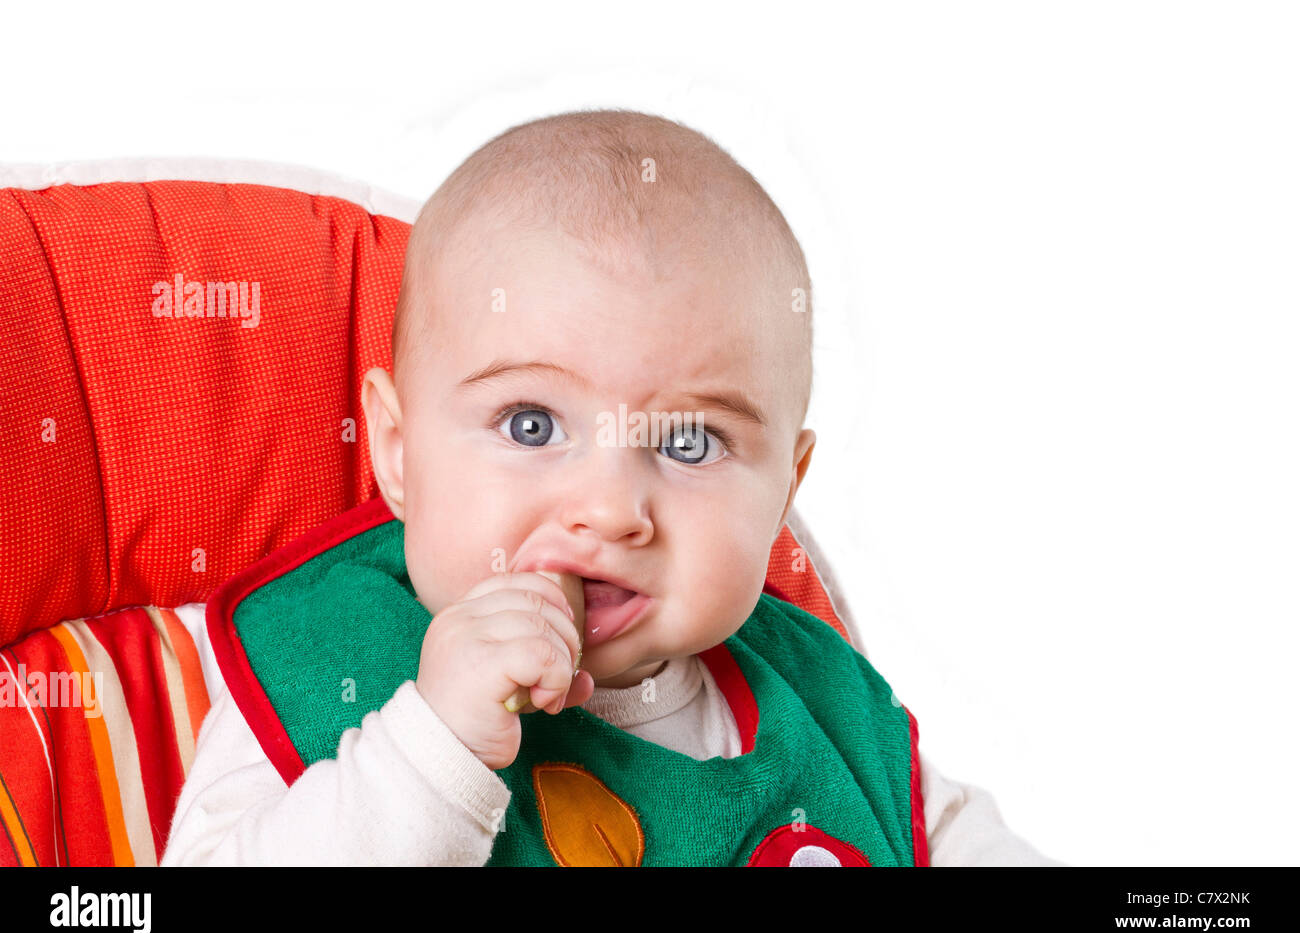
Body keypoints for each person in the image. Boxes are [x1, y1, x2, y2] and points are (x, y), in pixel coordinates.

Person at [161, 108, 1059, 866]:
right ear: (397, 451)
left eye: (690, 441)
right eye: (531, 426)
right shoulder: (328, 661)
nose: (611, 511)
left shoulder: (823, 708)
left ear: (782, 495)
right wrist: (432, 749)